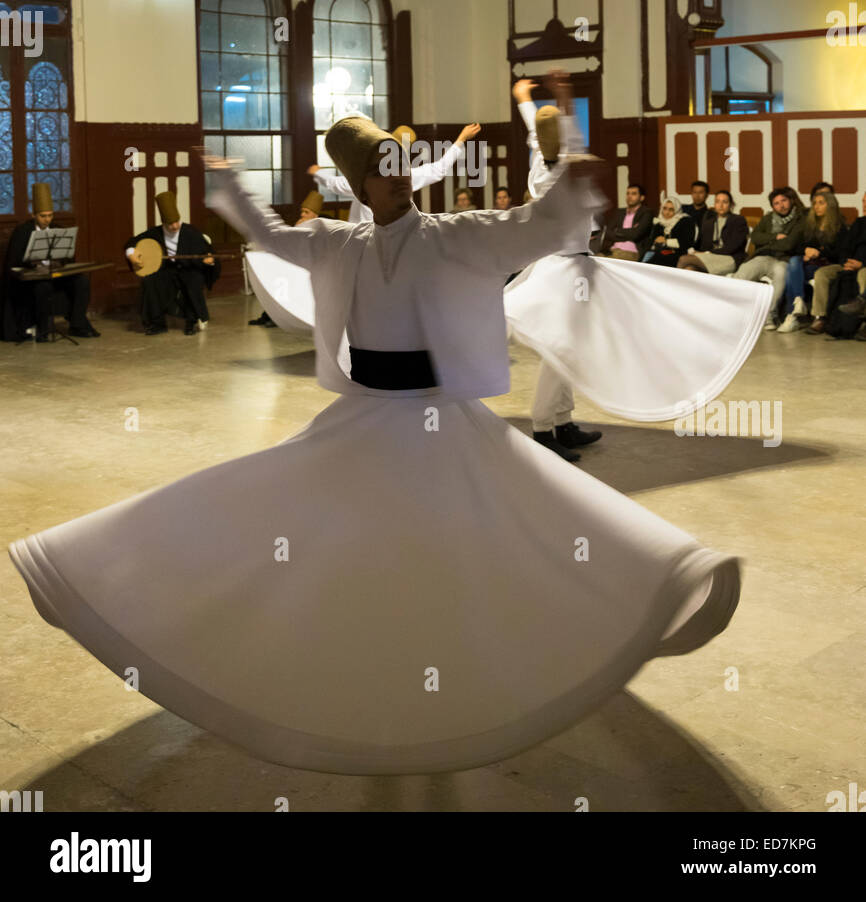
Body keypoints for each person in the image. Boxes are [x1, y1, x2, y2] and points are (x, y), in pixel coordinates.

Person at [9, 122, 745, 777]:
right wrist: (226, 184)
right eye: (384, 170)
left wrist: (562, 156)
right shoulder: (338, 241)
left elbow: (540, 225)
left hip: (442, 415)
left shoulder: (460, 232)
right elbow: (268, 236)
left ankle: (586, 613)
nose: (398, 177)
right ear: (361, 184)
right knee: (287, 518)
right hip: (364, 414)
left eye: (403, 166)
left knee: (526, 519)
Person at [511, 75, 602, 462]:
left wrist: (524, 97)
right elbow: (563, 131)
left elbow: (541, 128)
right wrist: (561, 94)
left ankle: (563, 420)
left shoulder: (541, 160)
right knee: (558, 349)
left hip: (566, 266)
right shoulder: (565, 170)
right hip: (564, 270)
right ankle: (543, 426)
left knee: (566, 348)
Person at [310, 122, 481, 224]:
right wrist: (460, 139)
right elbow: (439, 169)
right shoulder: (406, 175)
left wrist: (318, 173)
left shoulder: (368, 177)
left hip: (372, 236)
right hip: (377, 236)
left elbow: (336, 184)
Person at [0, 182, 99, 341]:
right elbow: (14, 261)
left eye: (50, 215)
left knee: (82, 282)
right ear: (34, 215)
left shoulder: (58, 228)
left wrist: (60, 260)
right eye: (43, 216)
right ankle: (42, 329)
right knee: (43, 288)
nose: (47, 220)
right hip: (33, 280)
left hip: (55, 274)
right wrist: (32, 263)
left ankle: (77, 324)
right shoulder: (23, 232)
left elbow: (69, 257)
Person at [125, 190, 219, 335]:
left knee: (193, 280)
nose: (174, 226)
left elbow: (207, 252)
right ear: (163, 223)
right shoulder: (156, 233)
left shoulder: (190, 232)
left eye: (176, 222)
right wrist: (131, 253)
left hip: (189, 268)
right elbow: (132, 242)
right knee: (150, 281)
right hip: (167, 269)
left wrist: (209, 261)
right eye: (170, 224)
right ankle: (157, 323)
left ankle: (191, 321)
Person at [732, 186, 805, 330]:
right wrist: (775, 237)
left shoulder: (800, 219)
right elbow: (755, 237)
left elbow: (789, 244)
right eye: (776, 203)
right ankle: (734, 313)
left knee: (780, 275)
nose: (781, 205)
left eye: (784, 201)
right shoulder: (768, 218)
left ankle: (769, 316)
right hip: (764, 256)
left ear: (791, 200)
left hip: (784, 259)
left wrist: (769, 243)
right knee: (743, 272)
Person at [247, 190, 322, 329]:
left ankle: (278, 317)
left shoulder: (318, 226)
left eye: (306, 212)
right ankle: (268, 315)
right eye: (302, 211)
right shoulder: (301, 223)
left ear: (315, 214)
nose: (302, 214)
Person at [777, 190, 847, 333]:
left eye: (821, 203)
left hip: (828, 265)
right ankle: (798, 302)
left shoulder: (840, 226)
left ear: (830, 205)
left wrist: (819, 252)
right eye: (815, 203)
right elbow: (799, 246)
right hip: (810, 265)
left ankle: (792, 314)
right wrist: (807, 252)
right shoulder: (810, 225)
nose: (817, 207)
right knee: (795, 261)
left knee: (792, 272)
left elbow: (840, 254)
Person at [812, 188, 866, 338]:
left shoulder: (840, 225)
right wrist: (846, 263)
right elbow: (846, 247)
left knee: (863, 274)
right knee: (822, 273)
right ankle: (820, 317)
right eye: (863, 201)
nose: (864, 204)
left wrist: (861, 264)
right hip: (848, 263)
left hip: (863, 266)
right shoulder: (859, 223)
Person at [678, 190, 748, 276]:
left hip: (730, 258)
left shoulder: (738, 220)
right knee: (689, 269)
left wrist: (707, 253)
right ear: (714, 204)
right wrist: (695, 251)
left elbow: (732, 247)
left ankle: (673, 289)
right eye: (717, 202)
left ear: (731, 204)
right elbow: (703, 244)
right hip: (710, 258)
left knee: (683, 259)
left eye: (724, 202)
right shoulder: (709, 221)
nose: (721, 205)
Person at [598, 183, 654, 259]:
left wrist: (617, 230)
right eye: (628, 193)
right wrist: (630, 231)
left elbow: (636, 234)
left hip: (630, 251)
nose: (629, 196)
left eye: (633, 194)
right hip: (612, 250)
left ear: (642, 198)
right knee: (593, 261)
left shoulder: (646, 213)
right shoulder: (619, 212)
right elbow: (608, 232)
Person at [642, 194, 694, 266]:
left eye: (671, 209)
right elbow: (652, 240)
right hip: (659, 252)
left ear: (677, 210)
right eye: (665, 208)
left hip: (677, 253)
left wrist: (666, 241)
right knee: (645, 256)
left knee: (656, 260)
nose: (666, 212)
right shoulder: (659, 223)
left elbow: (686, 243)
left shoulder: (685, 221)